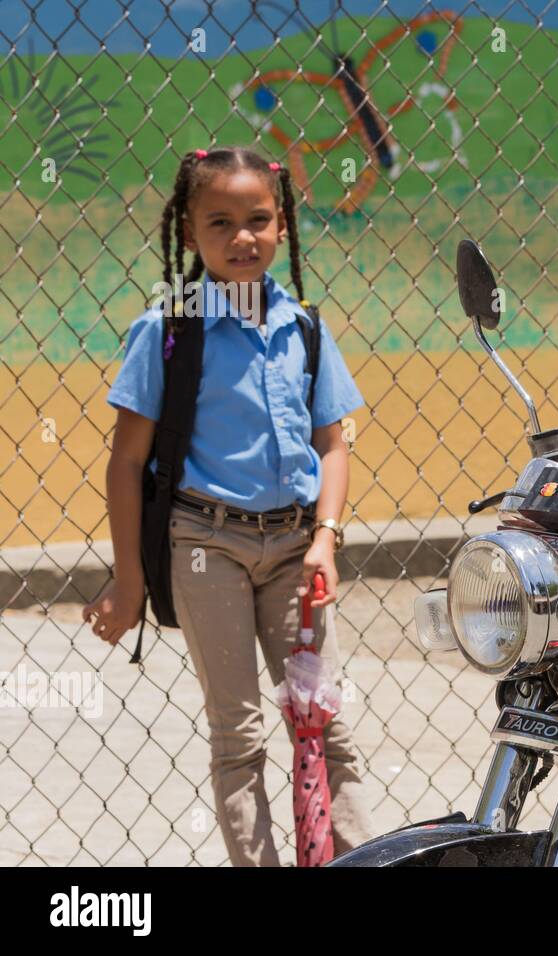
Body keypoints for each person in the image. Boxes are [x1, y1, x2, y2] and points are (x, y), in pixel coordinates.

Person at [82, 145, 375, 865]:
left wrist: (325, 539)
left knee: (327, 725)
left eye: (258, 220)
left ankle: (360, 859)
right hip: (205, 547)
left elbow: (333, 446)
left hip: (296, 553)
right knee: (239, 734)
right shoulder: (169, 332)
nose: (242, 237)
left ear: (283, 226)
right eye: (220, 222)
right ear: (188, 232)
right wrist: (129, 581)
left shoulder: (304, 327)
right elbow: (125, 463)